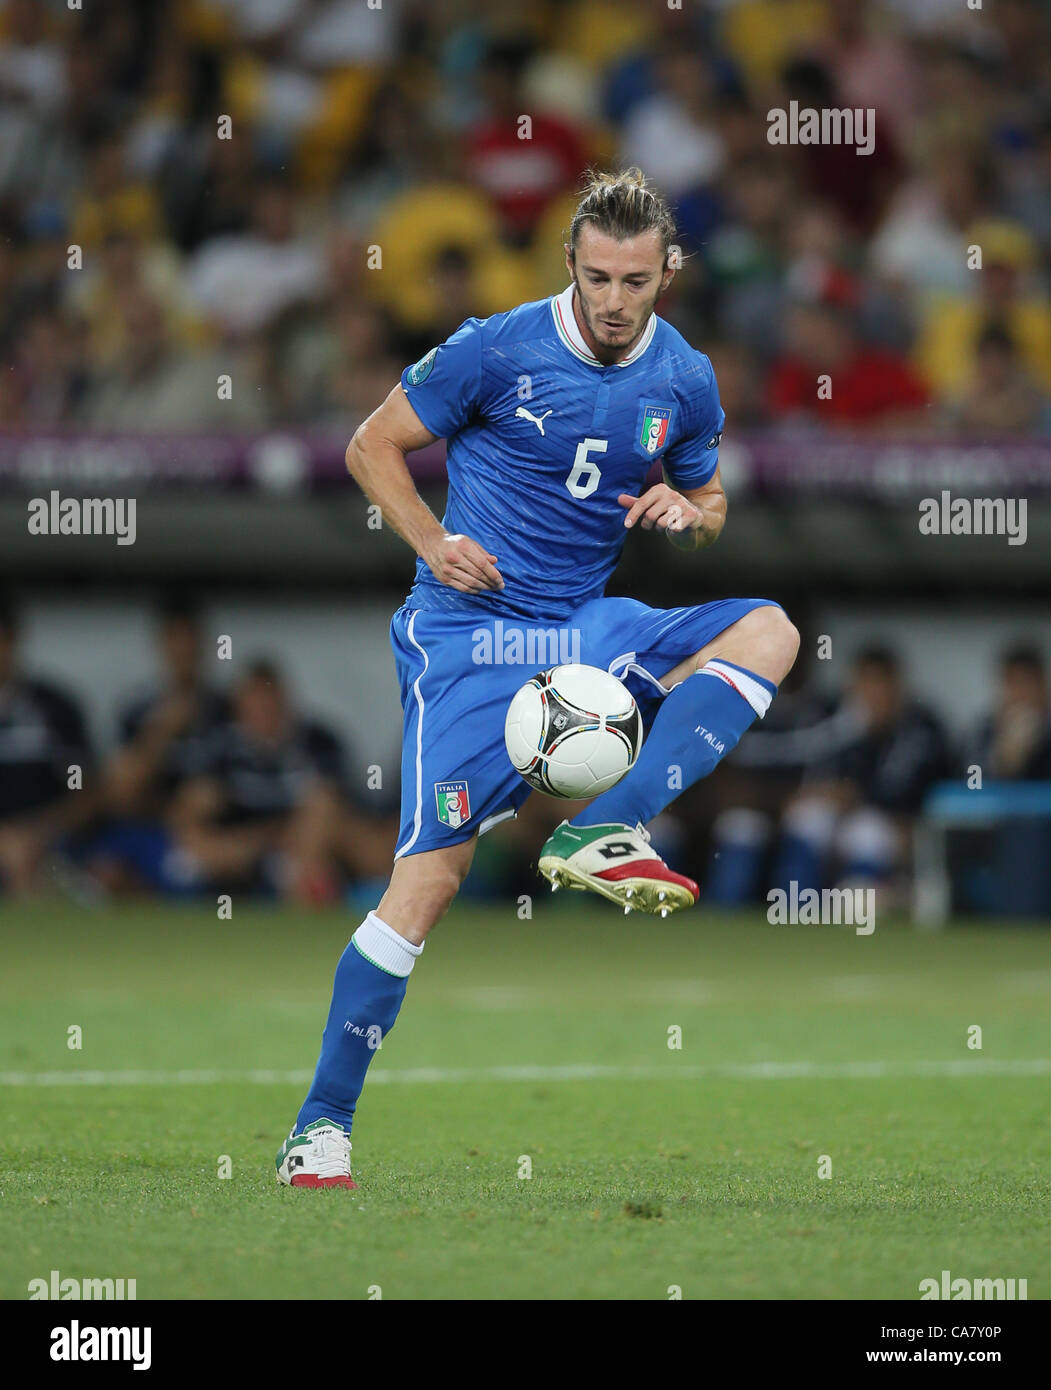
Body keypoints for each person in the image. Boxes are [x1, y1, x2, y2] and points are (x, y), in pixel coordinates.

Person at [276, 169, 799, 1189]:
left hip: (584, 626)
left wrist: (690, 517)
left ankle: (610, 824)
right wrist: (433, 540)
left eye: (635, 280)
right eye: (598, 275)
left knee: (769, 630)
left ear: (665, 276)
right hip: (471, 634)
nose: (614, 299)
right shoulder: (495, 347)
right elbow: (369, 444)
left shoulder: (684, 377)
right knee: (428, 885)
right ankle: (319, 1126)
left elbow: (712, 496)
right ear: (569, 262)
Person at [0, 599, 97, 895]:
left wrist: (37, 834)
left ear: (14, 640)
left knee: (23, 860)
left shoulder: (55, 709)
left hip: (47, 843)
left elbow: (85, 793)